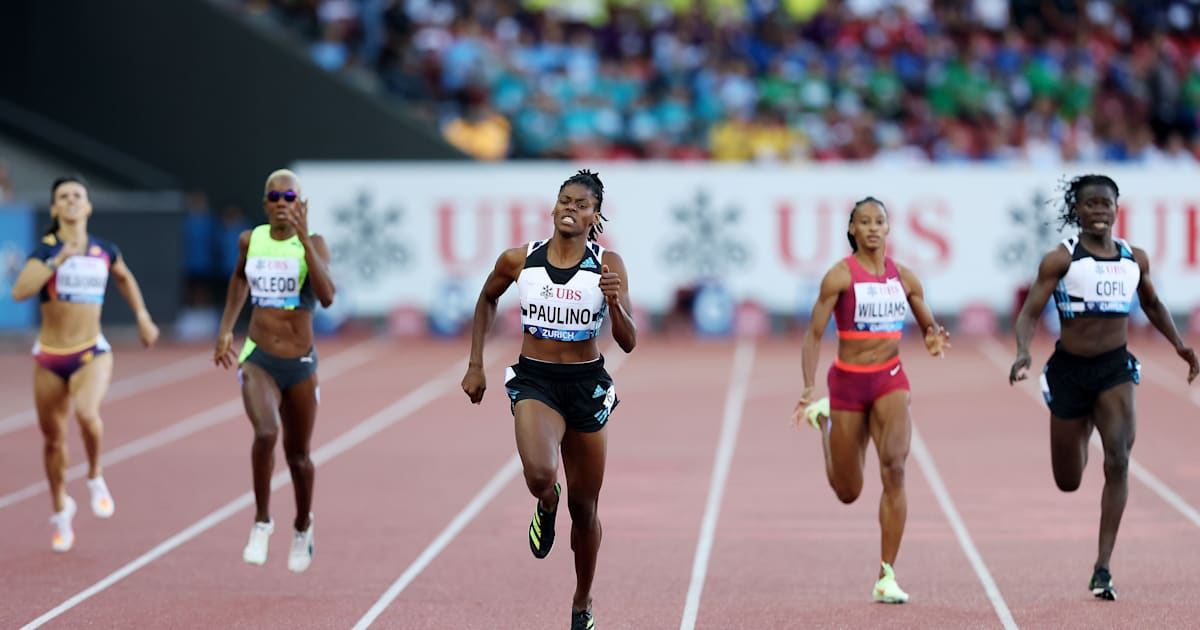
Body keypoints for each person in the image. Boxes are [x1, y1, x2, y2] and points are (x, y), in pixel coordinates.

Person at [1009, 174, 1198, 600]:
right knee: (1069, 480)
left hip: (1115, 370)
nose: (1098, 211)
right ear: (1076, 211)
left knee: (1118, 459)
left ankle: (1103, 567)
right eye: (1090, 204)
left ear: (1116, 209)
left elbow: (1150, 304)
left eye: (1105, 204)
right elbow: (1029, 313)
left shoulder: (1134, 258)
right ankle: (1082, 424)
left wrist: (1180, 344)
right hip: (1069, 373)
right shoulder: (1061, 260)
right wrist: (1023, 350)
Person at [461, 169, 636, 630]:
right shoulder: (521, 259)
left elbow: (629, 341)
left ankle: (582, 603)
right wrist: (475, 363)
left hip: (586, 385)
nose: (571, 209)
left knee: (587, 508)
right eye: (565, 200)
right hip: (536, 381)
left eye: (582, 205)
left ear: (596, 216)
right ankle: (545, 501)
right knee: (540, 474)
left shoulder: (607, 263)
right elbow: (486, 299)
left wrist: (614, 304)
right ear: (553, 206)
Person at [791, 197, 950, 604]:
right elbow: (812, 334)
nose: (874, 228)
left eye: (880, 221)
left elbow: (928, 323)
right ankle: (824, 422)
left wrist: (933, 337)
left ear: (888, 228)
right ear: (853, 231)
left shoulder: (906, 278)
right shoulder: (839, 277)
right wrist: (809, 388)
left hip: (890, 379)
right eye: (865, 222)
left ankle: (886, 574)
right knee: (848, 490)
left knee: (895, 467)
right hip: (847, 383)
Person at [10, 175, 160, 552]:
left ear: (88, 206)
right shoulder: (44, 250)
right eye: (64, 196)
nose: (72, 200)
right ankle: (61, 509)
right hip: (48, 357)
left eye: (78, 194)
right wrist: (56, 260)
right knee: (53, 439)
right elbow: (19, 291)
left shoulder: (104, 250)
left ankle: (94, 475)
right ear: (55, 208)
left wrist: (142, 315)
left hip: (90, 351)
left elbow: (125, 278)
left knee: (87, 414)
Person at [214, 169, 335, 573]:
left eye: (290, 196)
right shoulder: (251, 240)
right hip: (259, 357)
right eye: (275, 196)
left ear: (301, 204)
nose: (282, 202)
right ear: (266, 203)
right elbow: (237, 280)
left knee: (298, 456)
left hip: (300, 363)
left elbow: (328, 297)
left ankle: (303, 526)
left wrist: (304, 240)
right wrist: (227, 328)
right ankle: (262, 521)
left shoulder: (314, 244)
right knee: (265, 432)